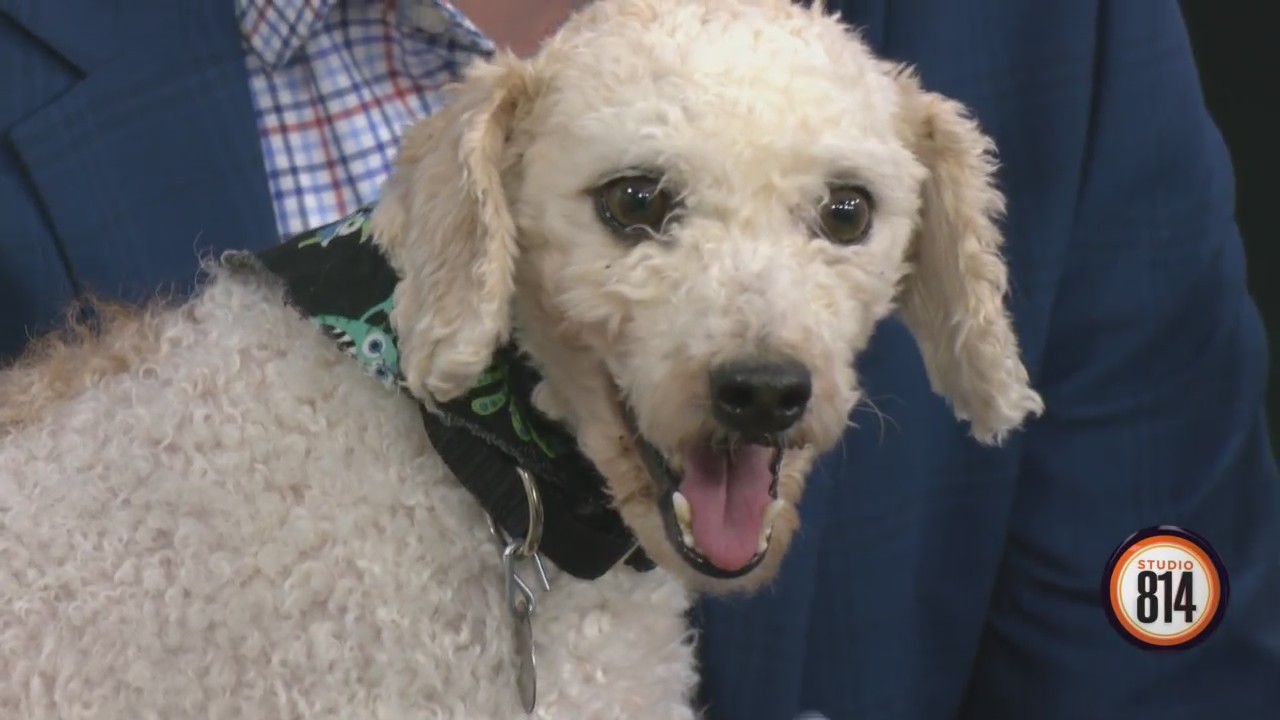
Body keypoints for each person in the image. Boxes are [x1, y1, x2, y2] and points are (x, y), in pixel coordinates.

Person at [2, 1, 1276, 718]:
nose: (761, 352)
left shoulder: (1064, 35)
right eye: (636, 206)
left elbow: (1164, 631)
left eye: (841, 215)